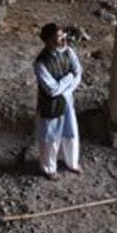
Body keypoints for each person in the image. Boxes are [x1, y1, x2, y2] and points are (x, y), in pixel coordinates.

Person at [33, 23, 83, 180]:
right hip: (51, 105)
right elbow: (52, 90)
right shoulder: (41, 63)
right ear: (47, 41)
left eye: (63, 36)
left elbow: (78, 74)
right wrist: (68, 78)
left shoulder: (69, 52)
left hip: (67, 101)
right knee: (51, 138)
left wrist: (66, 87)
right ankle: (48, 168)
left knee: (71, 132)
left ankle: (71, 162)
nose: (63, 40)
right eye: (58, 38)